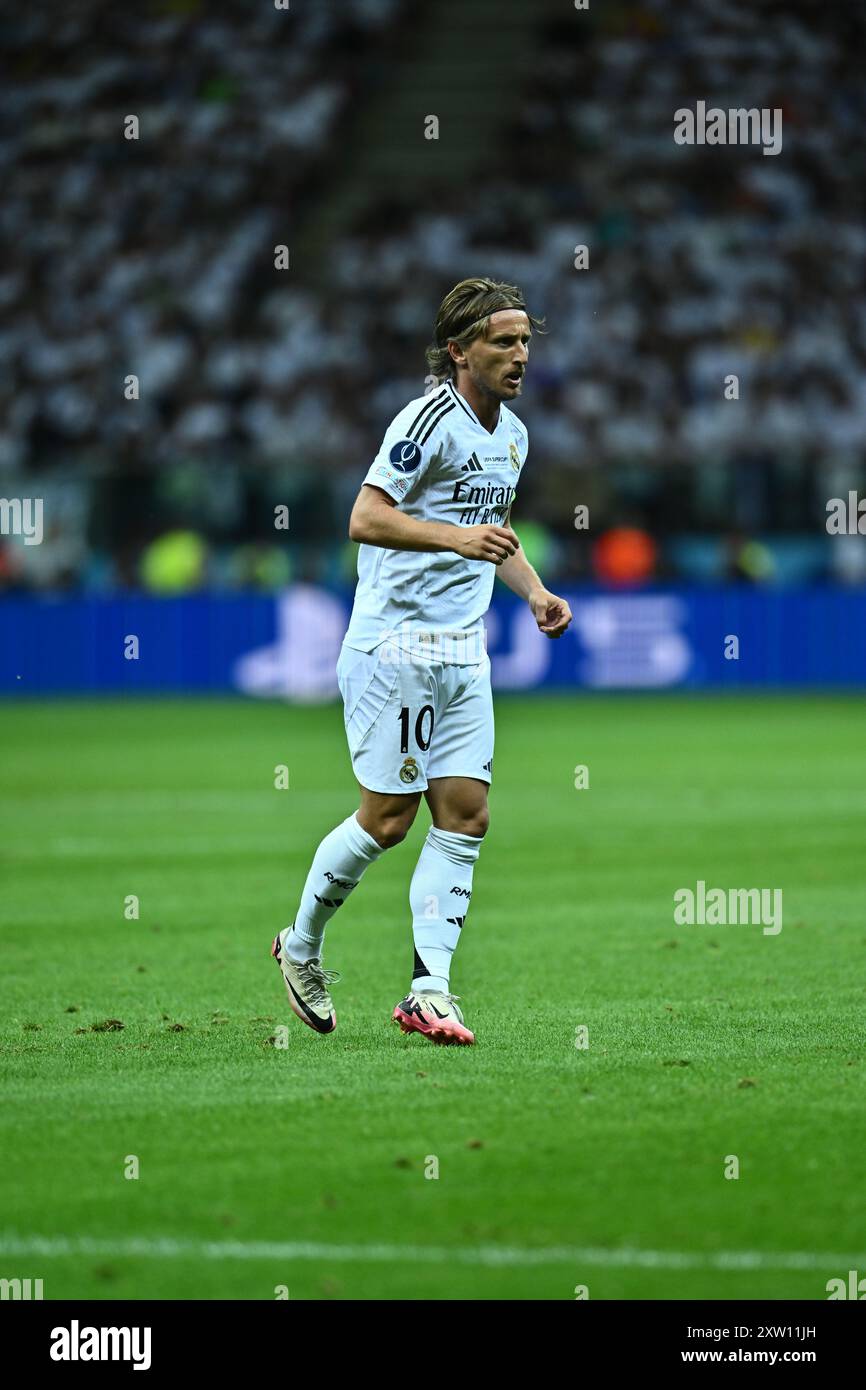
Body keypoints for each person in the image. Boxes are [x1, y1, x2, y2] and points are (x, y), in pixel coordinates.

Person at [272, 277, 573, 1044]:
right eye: (502, 342)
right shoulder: (426, 419)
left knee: (466, 815)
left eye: (524, 341)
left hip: (464, 651)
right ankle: (300, 945)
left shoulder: (514, 435)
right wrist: (455, 539)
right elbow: (365, 516)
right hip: (395, 647)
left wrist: (534, 592)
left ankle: (429, 990)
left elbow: (490, 524)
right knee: (387, 821)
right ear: (459, 351)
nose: (519, 356)